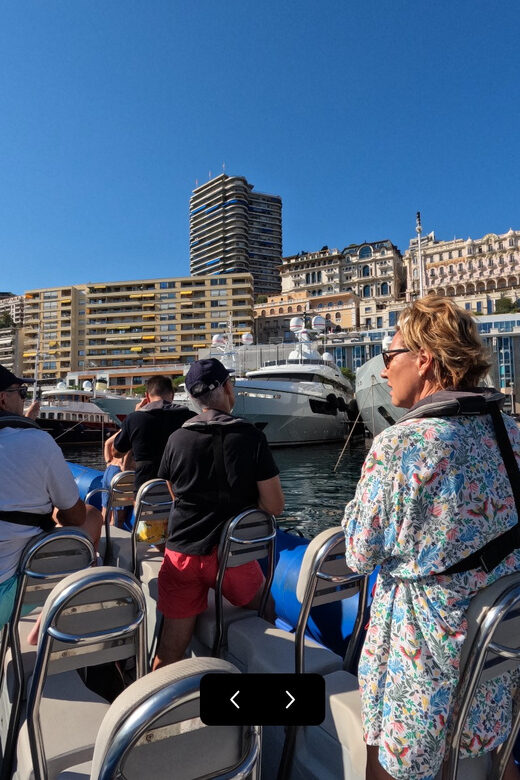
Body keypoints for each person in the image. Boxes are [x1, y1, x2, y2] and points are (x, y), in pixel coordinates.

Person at [342, 296, 520, 780]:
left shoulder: (403, 444)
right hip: (493, 653)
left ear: (423, 359)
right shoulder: (513, 433)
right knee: (492, 763)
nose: (383, 370)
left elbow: (358, 553)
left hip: (422, 659)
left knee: (390, 769)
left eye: (389, 356)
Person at [153, 358, 284, 668]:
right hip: (232, 558)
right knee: (267, 607)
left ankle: (150, 707)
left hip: (182, 555)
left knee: (170, 650)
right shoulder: (251, 437)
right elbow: (274, 506)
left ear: (195, 400)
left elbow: (174, 493)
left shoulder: (176, 439)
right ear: (227, 388)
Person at [0, 364, 103, 632]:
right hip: (6, 593)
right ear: (3, 398)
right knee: (91, 517)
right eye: (21, 392)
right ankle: (53, 616)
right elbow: (77, 516)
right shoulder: (37, 442)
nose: (24, 397)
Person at [104, 375, 195, 492]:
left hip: (146, 491)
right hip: (181, 489)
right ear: (172, 395)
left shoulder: (134, 419)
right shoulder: (190, 418)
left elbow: (117, 453)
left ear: (147, 396)